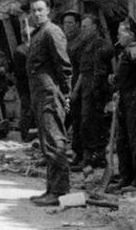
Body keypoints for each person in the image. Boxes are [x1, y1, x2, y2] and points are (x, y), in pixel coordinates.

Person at [25, 0, 72, 207]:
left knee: (55, 142)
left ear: (49, 11)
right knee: (47, 144)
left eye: (40, 10)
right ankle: (51, 189)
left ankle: (60, 191)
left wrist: (67, 94)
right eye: (33, 10)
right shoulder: (38, 33)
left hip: (50, 94)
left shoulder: (52, 32)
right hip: (39, 94)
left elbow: (64, 66)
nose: (37, 14)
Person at [112, 16, 136, 192]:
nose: (118, 36)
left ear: (130, 34)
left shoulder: (135, 49)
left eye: (121, 32)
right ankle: (126, 177)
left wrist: (132, 49)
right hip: (124, 97)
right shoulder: (123, 52)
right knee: (123, 142)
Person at [75, 14, 115, 169]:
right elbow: (82, 71)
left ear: (94, 28)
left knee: (92, 122)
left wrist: (96, 93)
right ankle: (90, 156)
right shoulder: (85, 45)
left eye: (85, 27)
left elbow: (100, 72)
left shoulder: (101, 45)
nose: (82, 30)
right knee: (86, 123)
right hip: (86, 88)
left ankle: (95, 157)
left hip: (95, 90)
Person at [61, 10, 85, 168]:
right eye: (65, 23)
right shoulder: (65, 42)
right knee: (62, 123)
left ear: (77, 25)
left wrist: (75, 91)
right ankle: (59, 155)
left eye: (70, 23)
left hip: (78, 89)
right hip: (65, 89)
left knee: (78, 123)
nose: (67, 26)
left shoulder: (81, 43)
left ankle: (79, 156)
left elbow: (83, 70)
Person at [12, 24, 36, 143]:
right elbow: (20, 70)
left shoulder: (30, 49)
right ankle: (25, 134)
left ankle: (30, 133)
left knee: (31, 108)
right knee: (27, 108)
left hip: (30, 84)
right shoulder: (21, 51)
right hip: (25, 84)